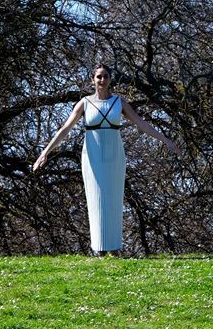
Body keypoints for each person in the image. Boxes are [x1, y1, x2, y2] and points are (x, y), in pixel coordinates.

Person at [33, 64, 179, 256]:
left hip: (114, 155)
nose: (102, 80)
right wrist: (45, 152)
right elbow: (65, 130)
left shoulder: (119, 102)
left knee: (113, 199)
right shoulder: (84, 103)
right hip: (92, 156)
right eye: (99, 77)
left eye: (106, 77)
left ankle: (113, 247)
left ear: (110, 79)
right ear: (93, 80)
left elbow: (141, 124)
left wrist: (165, 140)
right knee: (95, 198)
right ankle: (99, 248)